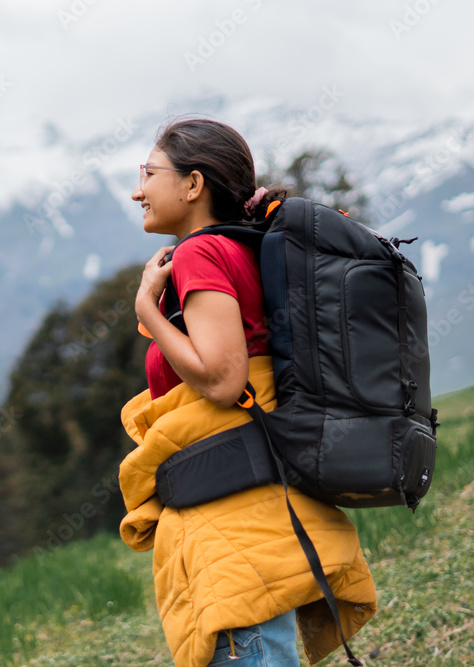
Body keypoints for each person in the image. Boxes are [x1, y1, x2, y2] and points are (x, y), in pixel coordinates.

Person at [117, 118, 377, 666]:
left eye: (148, 173)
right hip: (249, 511)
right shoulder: (243, 249)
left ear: (192, 185)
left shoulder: (200, 255)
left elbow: (223, 378)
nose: (138, 189)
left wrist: (147, 312)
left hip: (234, 519)